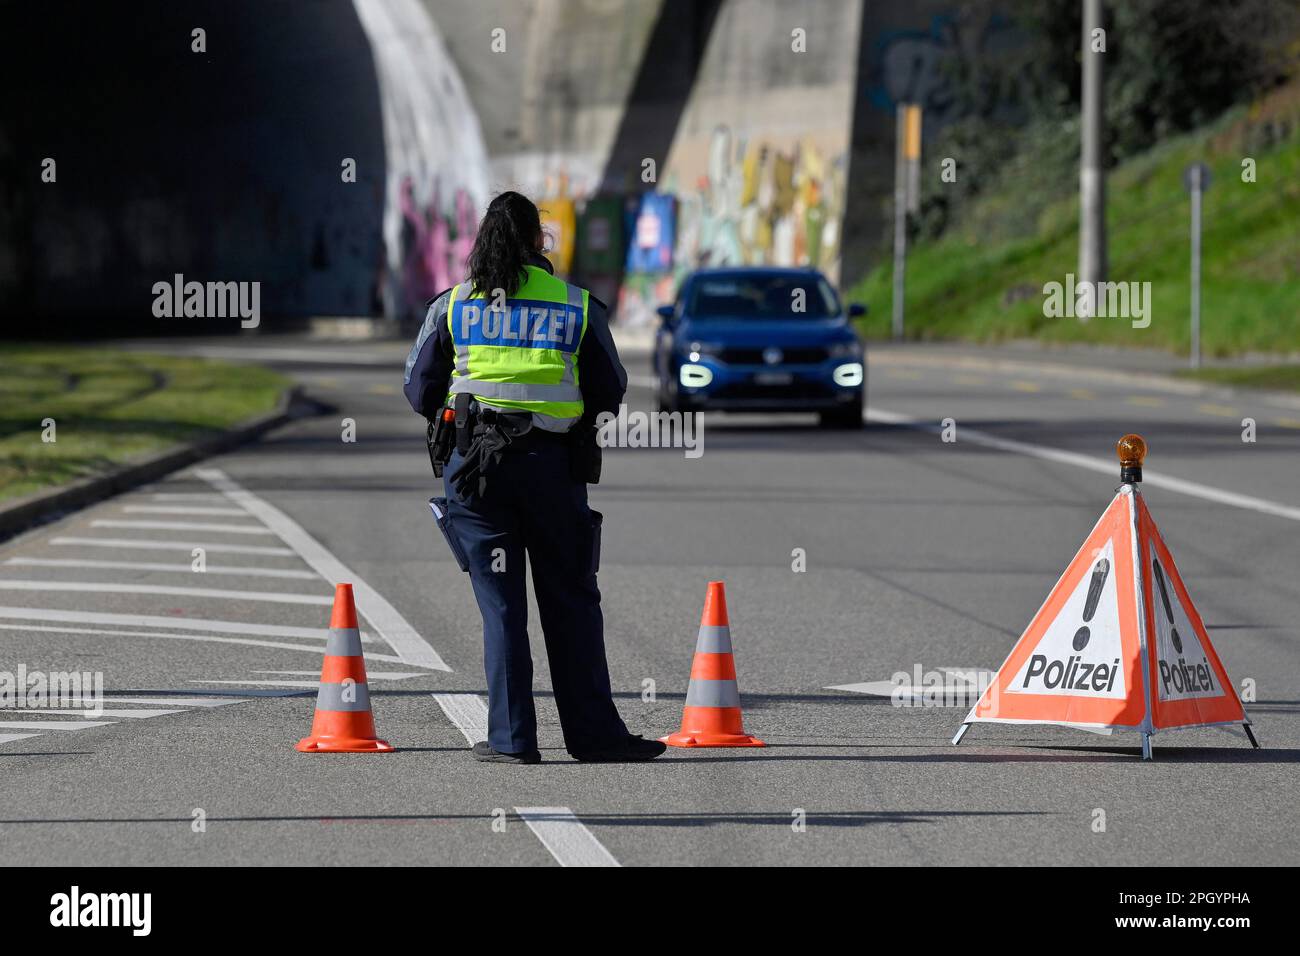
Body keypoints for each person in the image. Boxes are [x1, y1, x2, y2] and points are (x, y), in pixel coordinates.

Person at [403, 191, 665, 764]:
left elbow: (419, 388)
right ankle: (595, 738)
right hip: (552, 469)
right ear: (538, 240)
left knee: (501, 609)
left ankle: (512, 740)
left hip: (474, 472)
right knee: (570, 601)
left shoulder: (452, 306)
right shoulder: (575, 304)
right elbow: (610, 387)